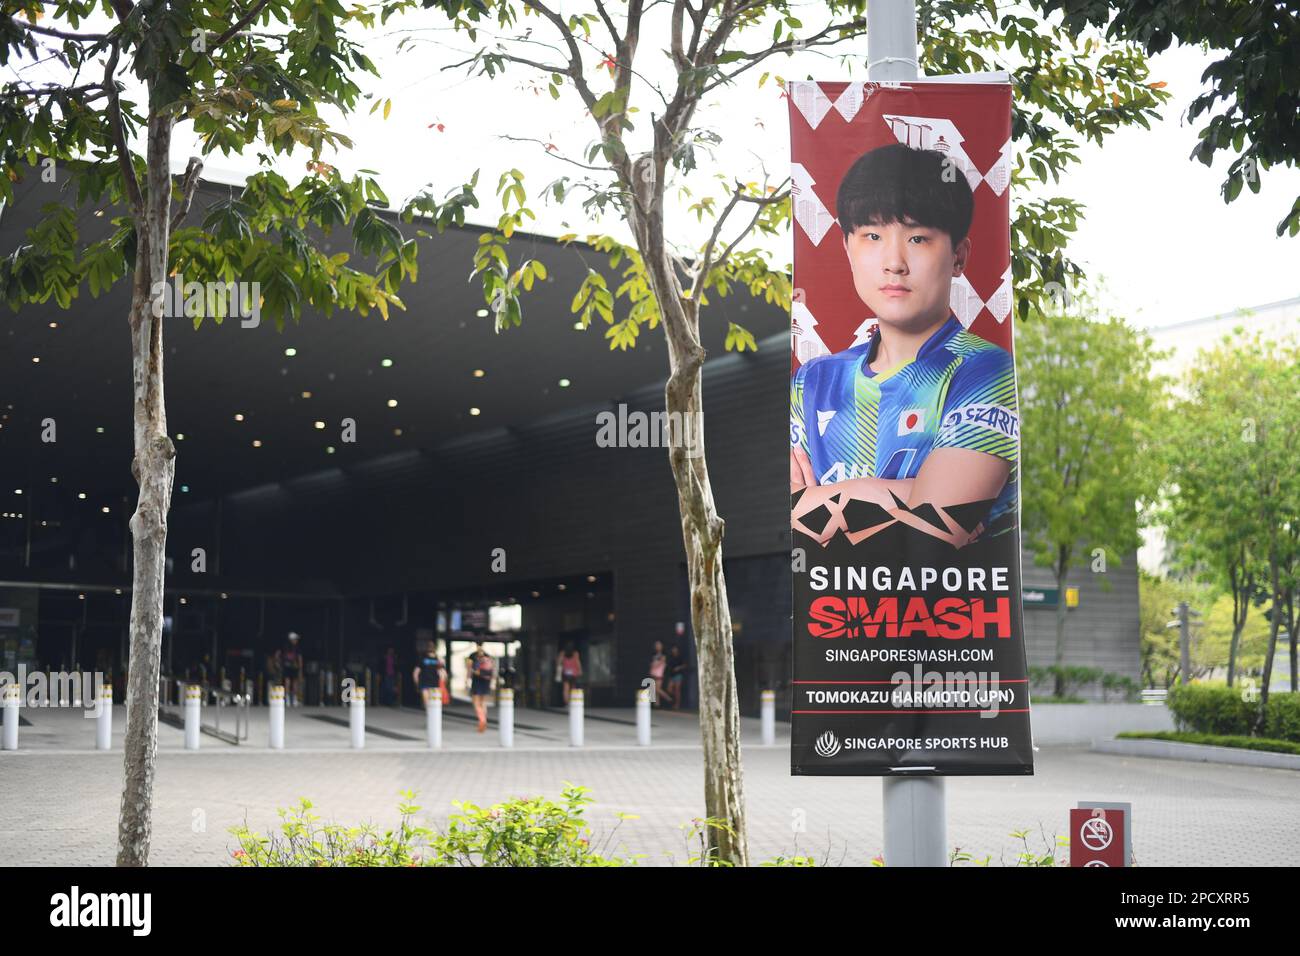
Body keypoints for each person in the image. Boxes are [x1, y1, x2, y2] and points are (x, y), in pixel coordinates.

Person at [790, 143, 1019, 548]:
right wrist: (906, 494)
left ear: (959, 256)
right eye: (873, 235)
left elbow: (934, 529)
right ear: (847, 248)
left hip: (950, 610)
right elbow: (792, 526)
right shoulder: (812, 380)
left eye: (917, 238)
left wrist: (822, 500)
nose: (893, 261)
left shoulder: (984, 369)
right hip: (831, 610)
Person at [467, 643, 495, 732]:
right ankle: (484, 719)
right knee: (483, 702)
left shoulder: (472, 656)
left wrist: (467, 679)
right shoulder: (488, 656)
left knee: (476, 702)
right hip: (486, 681)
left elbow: (469, 669)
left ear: (476, 645)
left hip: (477, 681)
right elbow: (492, 670)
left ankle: (482, 720)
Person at [412, 640, 447, 707]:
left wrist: (417, 683)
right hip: (434, 682)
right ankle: (431, 714)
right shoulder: (438, 659)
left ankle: (430, 714)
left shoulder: (423, 658)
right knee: (433, 703)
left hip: (426, 682)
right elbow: (444, 673)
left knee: (428, 702)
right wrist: (444, 682)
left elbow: (416, 672)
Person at [647, 641, 671, 706]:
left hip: (659, 673)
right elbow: (651, 663)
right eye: (656, 645)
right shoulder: (654, 654)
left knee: (657, 689)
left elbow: (661, 662)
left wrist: (654, 664)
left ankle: (668, 698)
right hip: (653, 673)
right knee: (655, 689)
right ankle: (657, 704)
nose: (657, 646)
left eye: (659, 645)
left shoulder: (663, 655)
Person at [282, 632, 303, 707]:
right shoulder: (287, 647)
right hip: (289, 667)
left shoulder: (296, 647)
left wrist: (300, 669)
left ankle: (294, 700)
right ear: (291, 639)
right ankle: (288, 700)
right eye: (295, 639)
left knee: (294, 684)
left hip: (294, 667)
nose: (296, 640)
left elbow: (300, 659)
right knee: (288, 683)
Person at [666, 644, 687, 710]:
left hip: (678, 675)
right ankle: (674, 698)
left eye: (675, 649)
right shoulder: (670, 657)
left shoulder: (680, 657)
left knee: (677, 690)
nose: (674, 650)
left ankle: (677, 704)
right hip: (672, 675)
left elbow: (685, 665)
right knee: (669, 689)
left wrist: (678, 667)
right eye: (673, 649)